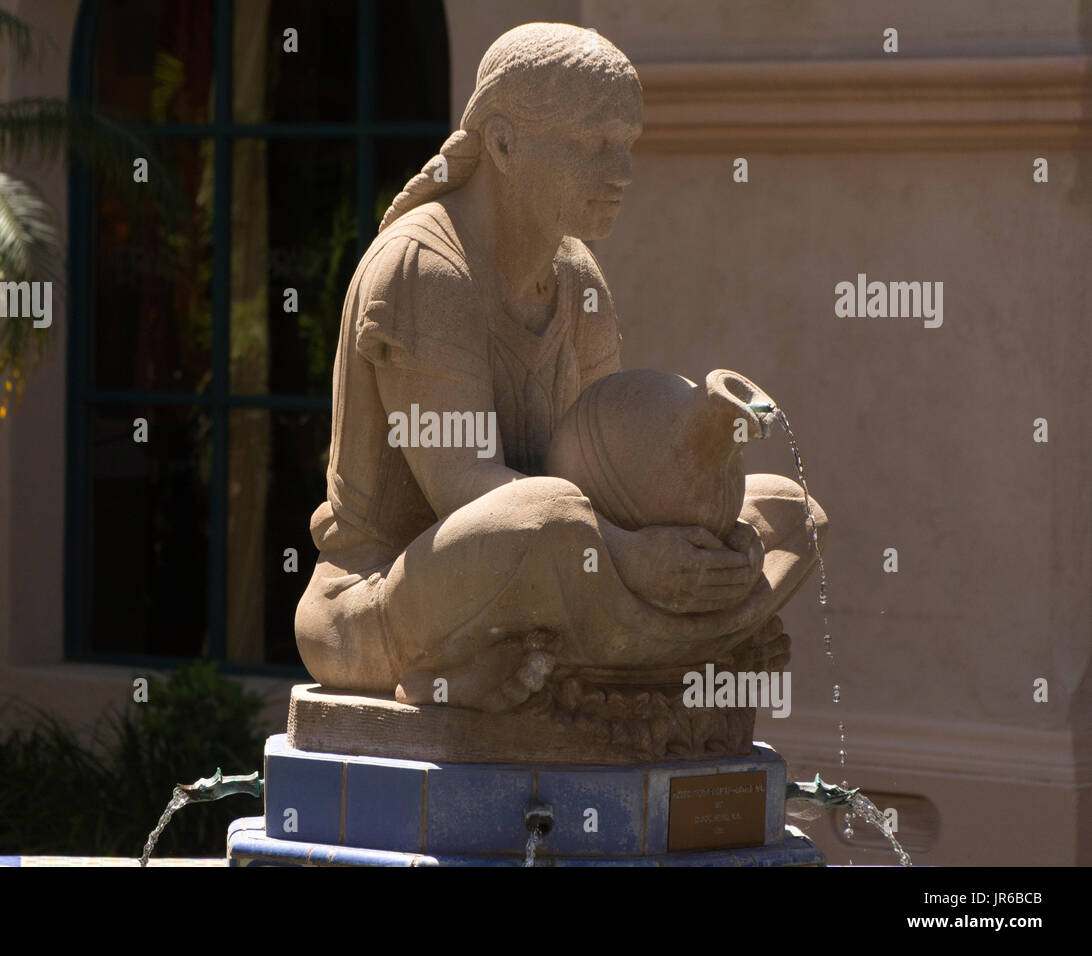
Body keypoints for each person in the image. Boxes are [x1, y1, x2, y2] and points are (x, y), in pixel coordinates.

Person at [295, 23, 823, 713]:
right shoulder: (425, 269)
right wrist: (637, 558)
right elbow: (468, 493)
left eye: (627, 145)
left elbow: (609, 471)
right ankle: (685, 645)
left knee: (786, 513)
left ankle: (633, 645)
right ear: (507, 143)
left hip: (558, 567)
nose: (623, 171)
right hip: (384, 604)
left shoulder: (578, 278)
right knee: (545, 514)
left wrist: (712, 535)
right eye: (596, 143)